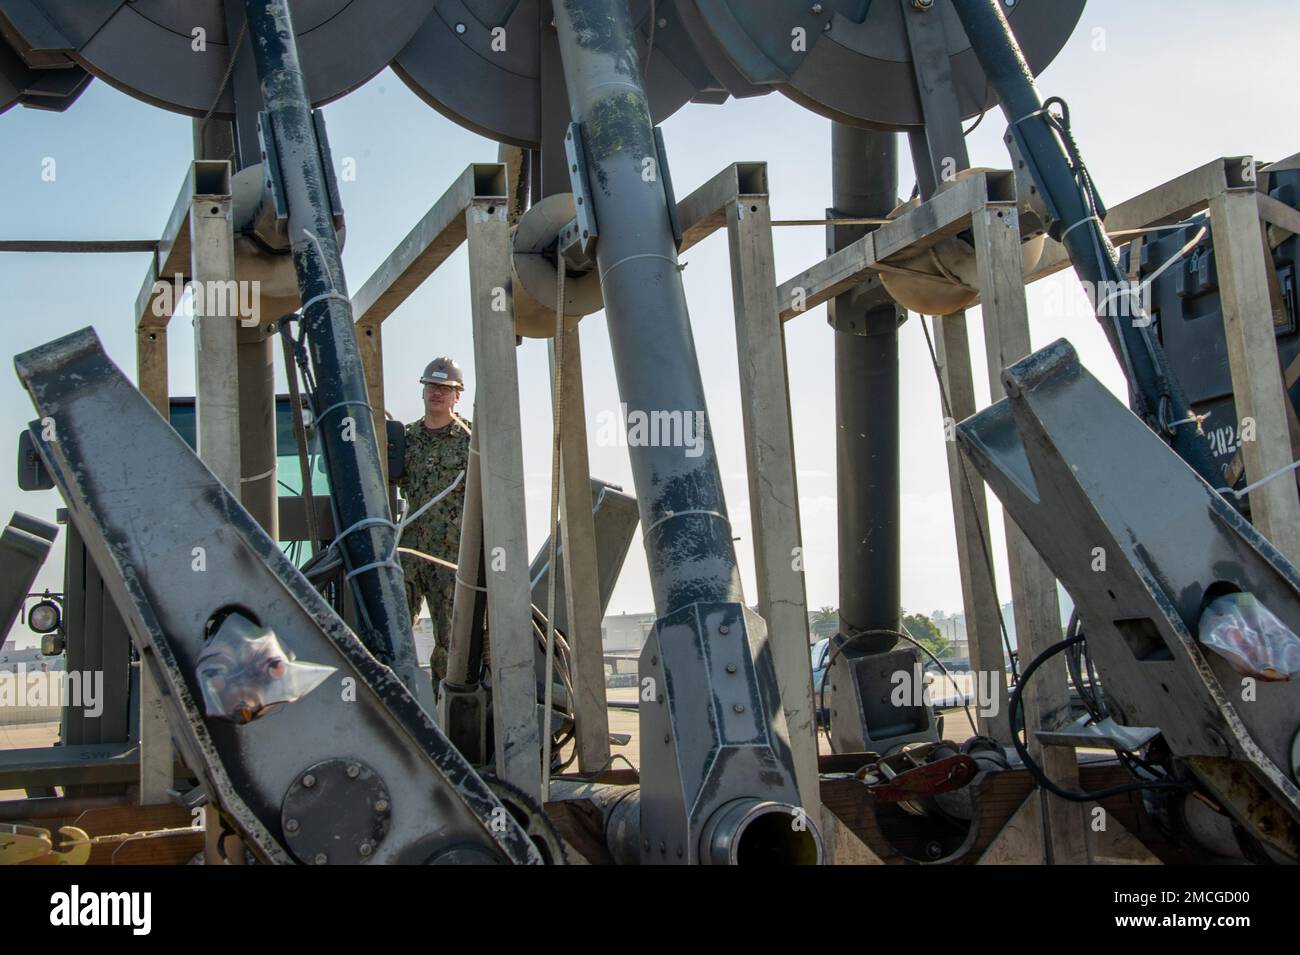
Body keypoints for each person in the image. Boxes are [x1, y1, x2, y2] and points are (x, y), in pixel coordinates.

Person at [396, 357, 470, 684]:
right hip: (410, 551)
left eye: (445, 388)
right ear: (423, 391)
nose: (437, 393)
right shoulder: (405, 438)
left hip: (451, 558)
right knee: (392, 626)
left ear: (457, 395)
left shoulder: (471, 440)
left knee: (451, 640)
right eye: (431, 387)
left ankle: (446, 709)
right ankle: (395, 698)